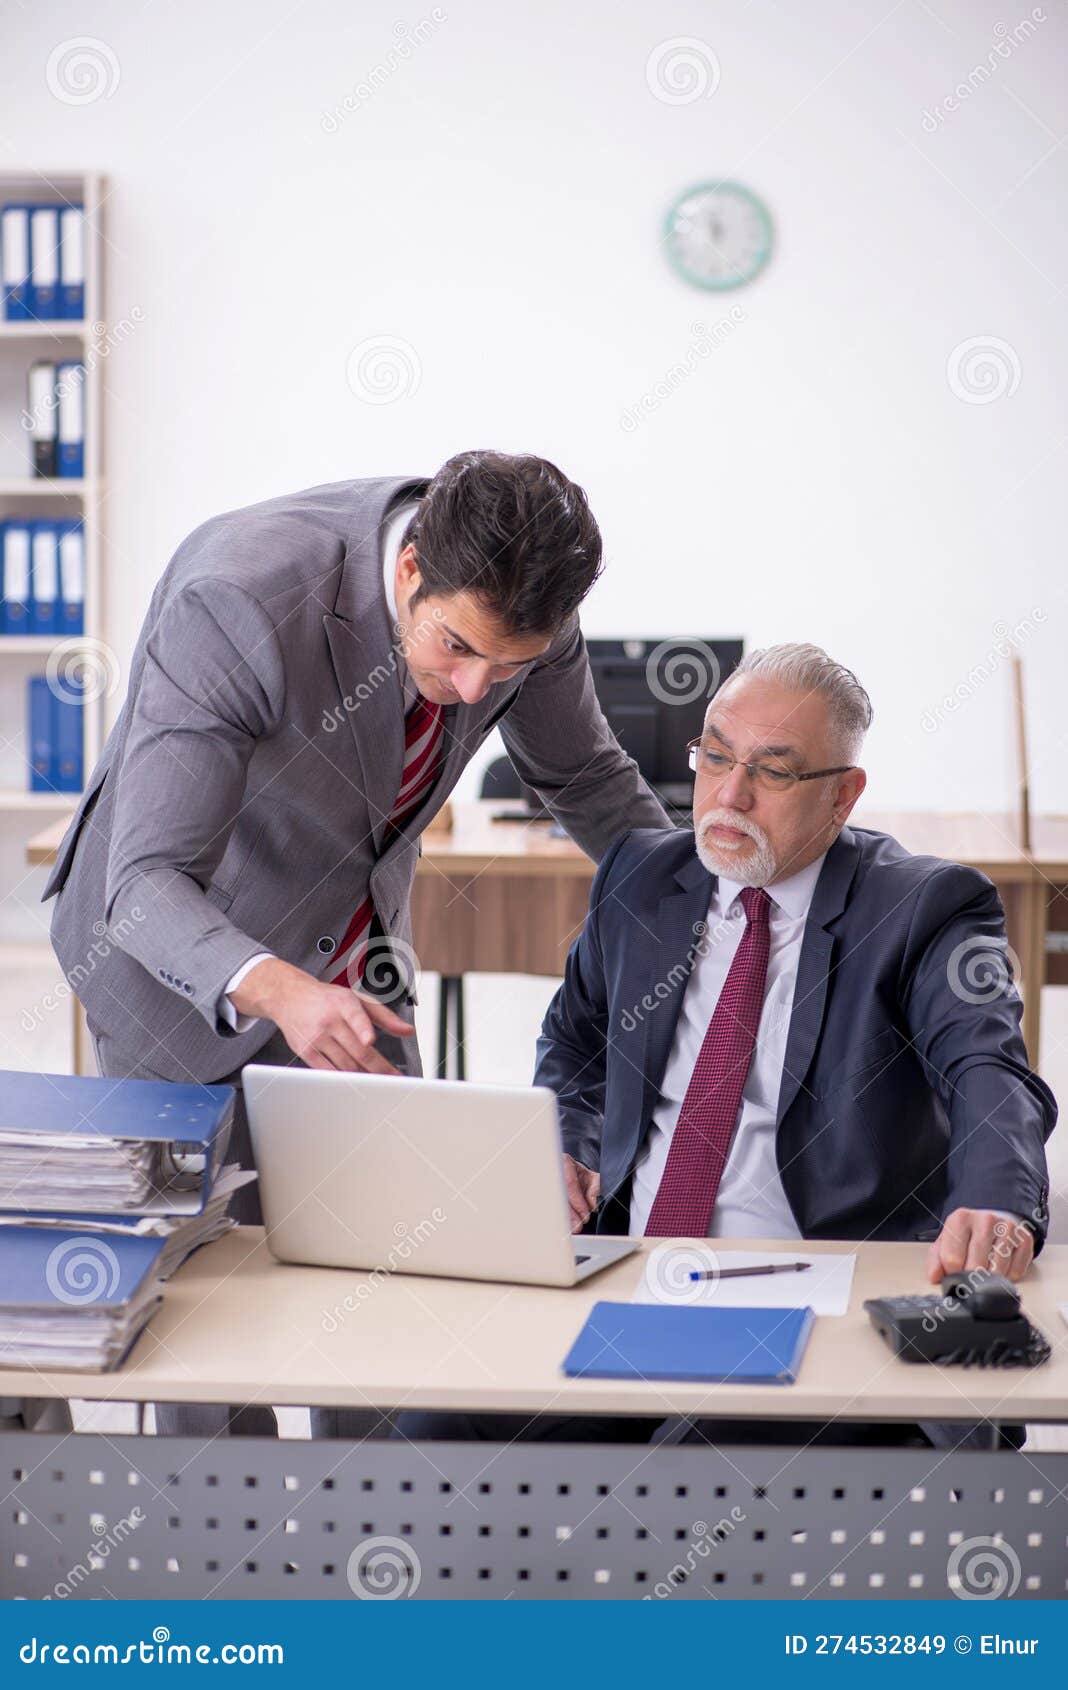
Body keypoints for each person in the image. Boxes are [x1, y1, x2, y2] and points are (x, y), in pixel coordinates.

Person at [43, 451, 669, 1439]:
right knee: (207, 1297)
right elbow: (146, 882)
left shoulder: (525, 615)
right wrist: (278, 987)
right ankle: (222, 1568)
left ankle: (365, 1550)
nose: (473, 690)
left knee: (384, 1261)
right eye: (456, 649)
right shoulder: (240, 595)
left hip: (355, 946)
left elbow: (583, 776)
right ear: (411, 567)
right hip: (173, 954)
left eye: (506, 667)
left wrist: (701, 908)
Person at [401, 643, 1055, 1452]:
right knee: (433, 1423)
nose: (730, 794)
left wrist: (994, 1197)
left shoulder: (922, 907)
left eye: (773, 773)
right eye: (715, 756)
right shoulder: (642, 876)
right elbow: (577, 1041)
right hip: (634, 1279)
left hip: (810, 1298)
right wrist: (567, 1144)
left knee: (692, 1458)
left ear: (843, 795)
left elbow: (987, 1069)